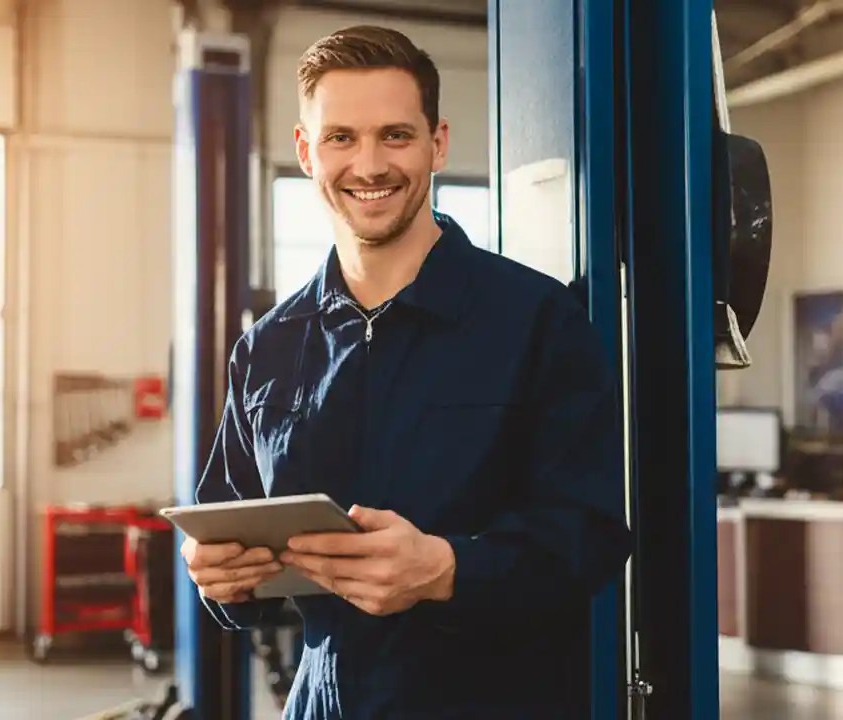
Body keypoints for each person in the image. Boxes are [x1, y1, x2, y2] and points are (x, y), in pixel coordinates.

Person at [179, 25, 632, 719]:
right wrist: (222, 582)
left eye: (395, 135)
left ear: (437, 143)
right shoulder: (267, 349)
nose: (369, 164)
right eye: (341, 138)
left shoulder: (537, 320)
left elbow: (591, 538)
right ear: (305, 151)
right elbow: (232, 541)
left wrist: (447, 569)